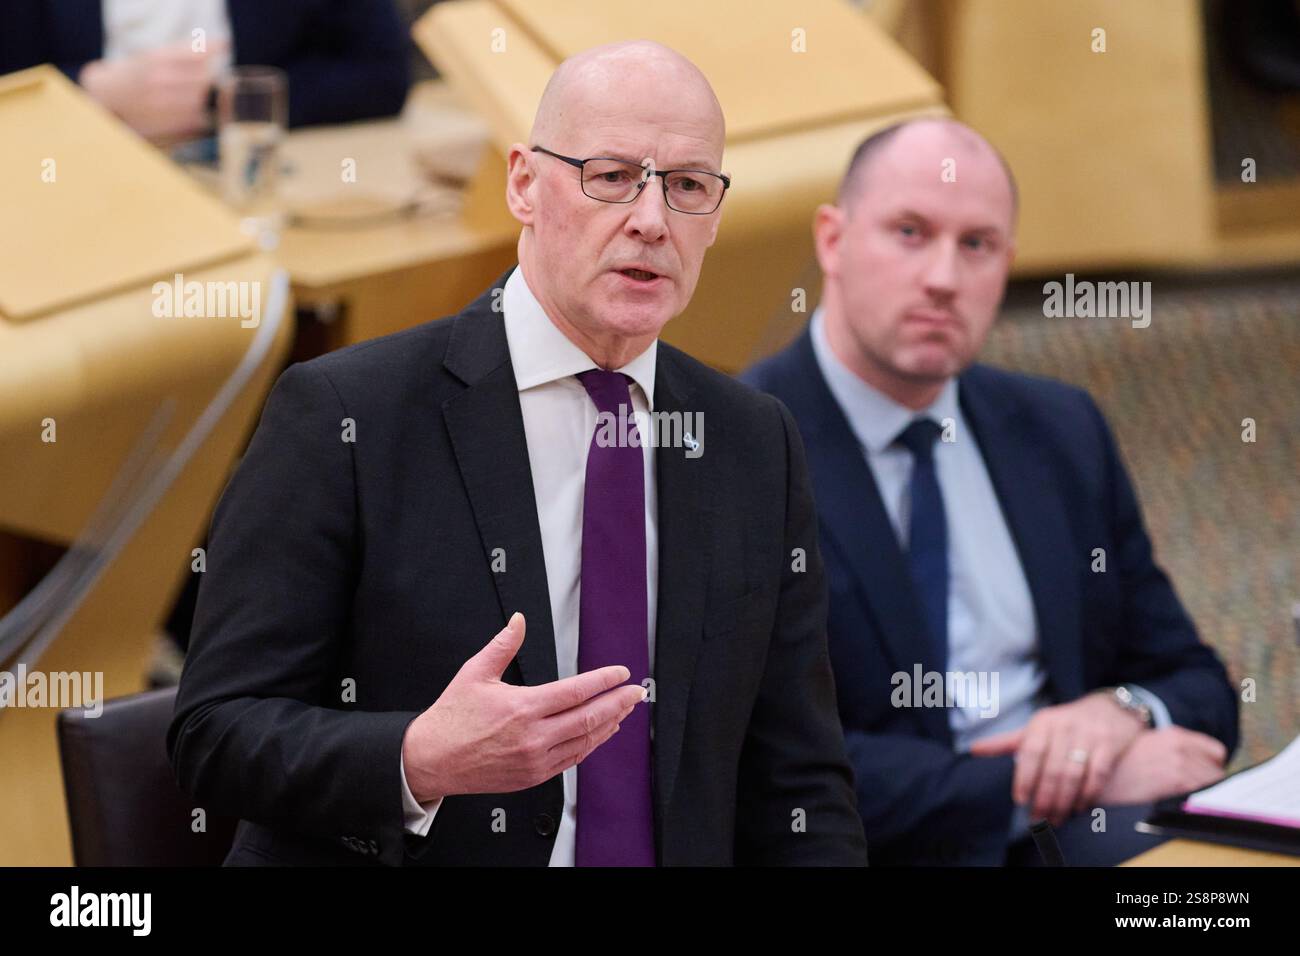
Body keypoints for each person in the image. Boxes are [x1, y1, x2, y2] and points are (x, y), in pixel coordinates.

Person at [168, 40, 867, 867]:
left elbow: (802, 784)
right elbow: (214, 733)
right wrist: (417, 759)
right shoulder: (346, 415)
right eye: (611, 176)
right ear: (525, 186)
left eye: (686, 186)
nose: (650, 220)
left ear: (714, 215)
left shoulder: (753, 439)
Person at [741, 118, 1238, 866]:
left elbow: (1198, 685)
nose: (944, 277)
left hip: (1078, 838)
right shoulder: (738, 451)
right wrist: (1035, 784)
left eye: (976, 245)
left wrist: (1122, 713)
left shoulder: (1059, 430)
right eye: (910, 232)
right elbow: (757, 762)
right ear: (833, 241)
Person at [0, 1, 409, 138]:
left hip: (241, 187)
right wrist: (86, 94)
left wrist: (223, 103)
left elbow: (381, 72)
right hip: (63, 181)